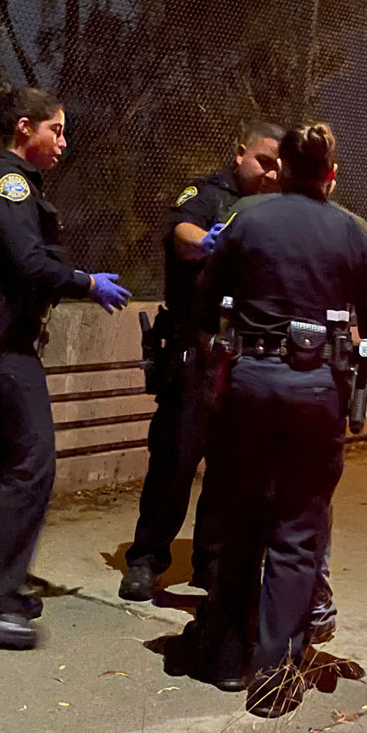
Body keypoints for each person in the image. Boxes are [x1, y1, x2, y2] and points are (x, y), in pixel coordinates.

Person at [175, 122, 367, 718]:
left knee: (238, 519)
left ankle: (225, 657)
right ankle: (273, 677)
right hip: (316, 393)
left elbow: (205, 302)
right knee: (299, 531)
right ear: (331, 175)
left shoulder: (246, 217)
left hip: (248, 387)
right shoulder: (354, 232)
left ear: (286, 170)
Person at [0, 87, 131, 649]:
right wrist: (86, 283)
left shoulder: (14, 184)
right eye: (56, 129)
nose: (63, 142)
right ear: (24, 127)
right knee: (31, 461)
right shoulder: (8, 183)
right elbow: (27, 262)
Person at [119, 121, 283, 602]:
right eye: (263, 161)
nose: (271, 173)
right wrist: (208, 241)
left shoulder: (275, 208)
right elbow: (182, 232)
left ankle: (212, 566)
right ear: (240, 153)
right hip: (197, 354)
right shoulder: (209, 194)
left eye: (279, 166)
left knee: (231, 471)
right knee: (174, 461)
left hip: (246, 359)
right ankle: (146, 559)